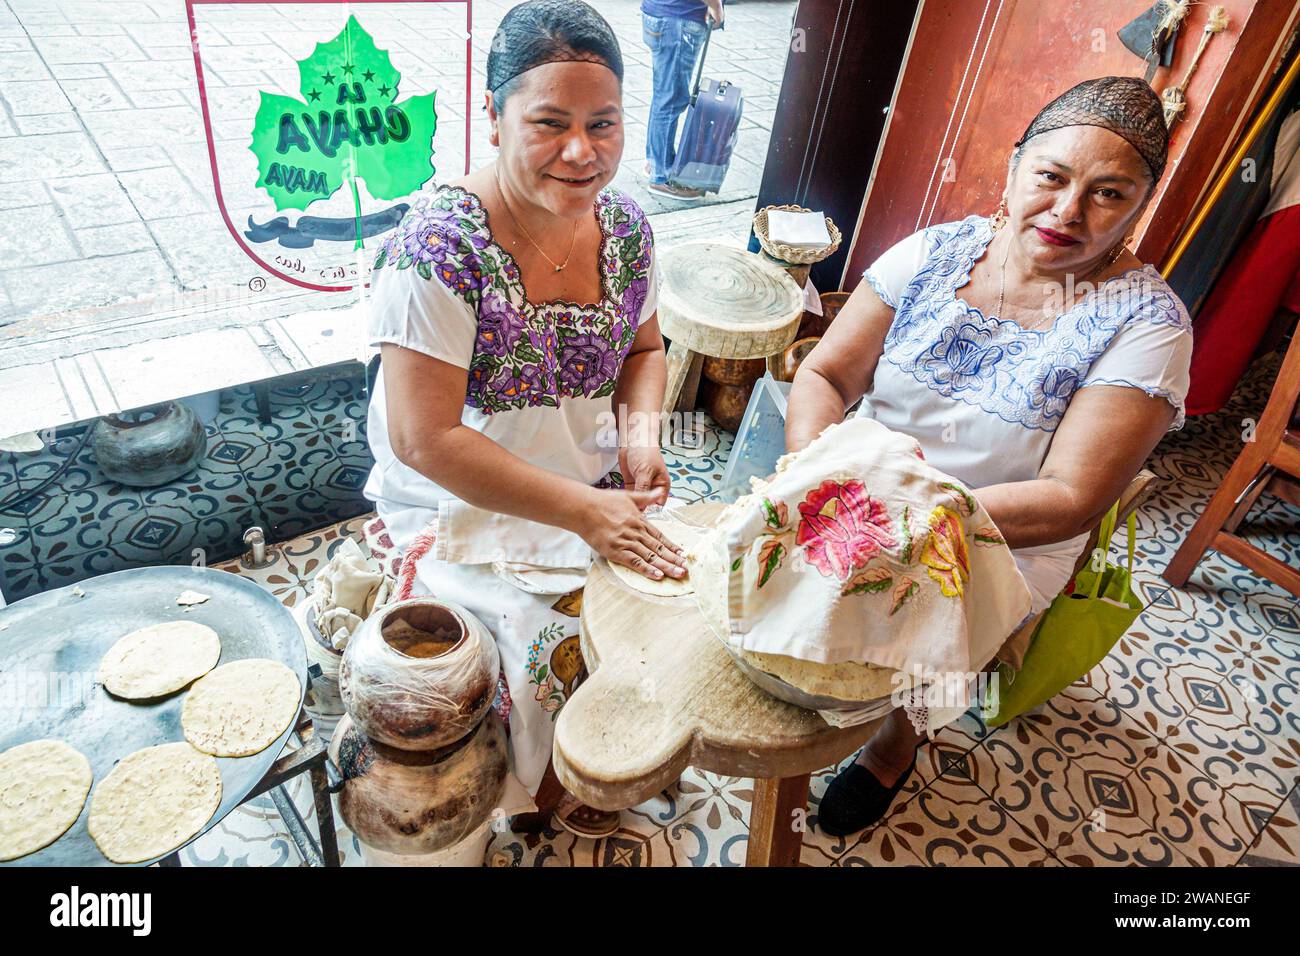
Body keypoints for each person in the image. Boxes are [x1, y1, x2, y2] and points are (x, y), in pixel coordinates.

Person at [784, 76, 1192, 836]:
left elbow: (1071, 497)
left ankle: (892, 744)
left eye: (1108, 193)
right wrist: (816, 472)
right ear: (1014, 169)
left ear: (1139, 209)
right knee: (780, 584)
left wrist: (900, 516)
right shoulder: (938, 252)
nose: (1069, 211)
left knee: (905, 618)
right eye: (1052, 177)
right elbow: (827, 373)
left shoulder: (1148, 325)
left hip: (1005, 535)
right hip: (868, 482)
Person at [363, 0, 686, 838]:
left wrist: (640, 441)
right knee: (552, 648)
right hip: (460, 501)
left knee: (667, 616)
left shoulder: (626, 230)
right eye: (550, 123)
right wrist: (584, 511)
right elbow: (421, 438)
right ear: (495, 116)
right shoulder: (438, 251)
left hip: (590, 478)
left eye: (603, 124)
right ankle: (535, 795)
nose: (582, 152)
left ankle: (602, 760)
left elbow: (646, 352)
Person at [641, 0, 724, 201]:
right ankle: (661, 176)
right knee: (670, 100)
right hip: (677, 20)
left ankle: (656, 160)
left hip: (666, 15)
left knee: (664, 95)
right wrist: (716, 7)